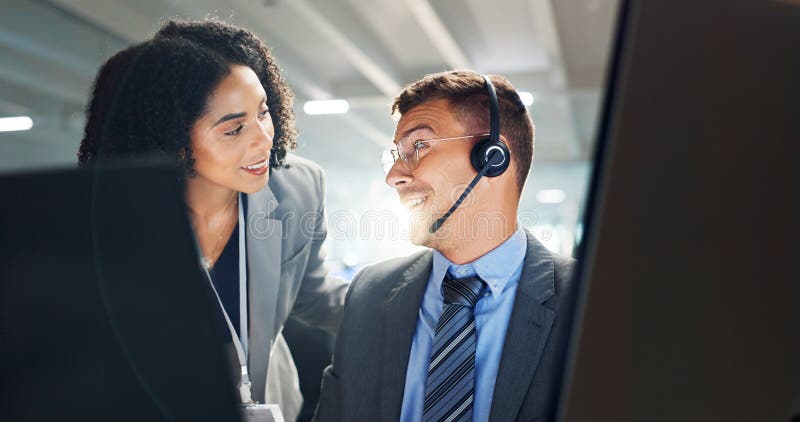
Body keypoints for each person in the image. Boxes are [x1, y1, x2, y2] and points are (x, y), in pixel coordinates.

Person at [78, 20, 347, 422]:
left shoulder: (298, 188)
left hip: (268, 403)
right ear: (173, 139)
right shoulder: (105, 222)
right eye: (234, 128)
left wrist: (418, 301)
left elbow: (315, 293)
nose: (263, 138)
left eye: (264, 112)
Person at [314, 70, 577, 422]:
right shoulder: (371, 293)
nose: (393, 176)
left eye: (418, 147)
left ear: (492, 158)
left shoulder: (589, 299)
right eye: (394, 155)